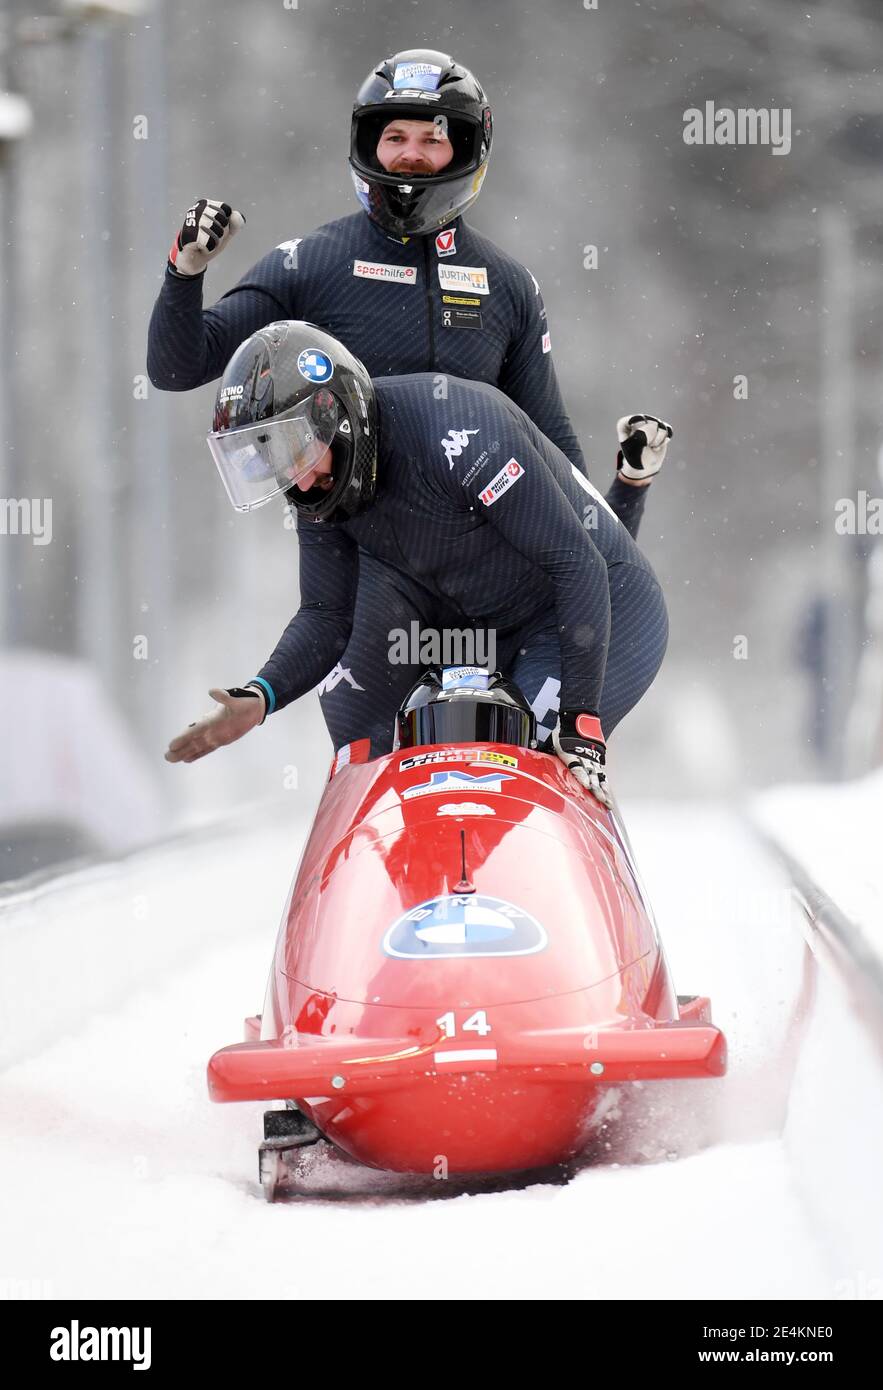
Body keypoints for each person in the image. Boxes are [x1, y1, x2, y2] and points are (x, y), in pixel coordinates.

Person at [146, 47, 664, 543]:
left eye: (432, 138)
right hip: (356, 571)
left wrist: (630, 488)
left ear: (466, 150)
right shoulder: (310, 264)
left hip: (484, 573)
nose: (410, 155)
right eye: (394, 137)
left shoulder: (509, 286)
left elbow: (565, 482)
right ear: (369, 146)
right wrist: (184, 270)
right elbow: (177, 368)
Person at [164, 322, 671, 805]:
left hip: (598, 603)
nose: (297, 483)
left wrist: (580, 723)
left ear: (337, 417)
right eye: (275, 465)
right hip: (477, 626)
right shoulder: (318, 483)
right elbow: (326, 615)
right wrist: (261, 696)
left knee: (507, 753)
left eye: (297, 452)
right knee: (352, 706)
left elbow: (578, 563)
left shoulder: (462, 428)